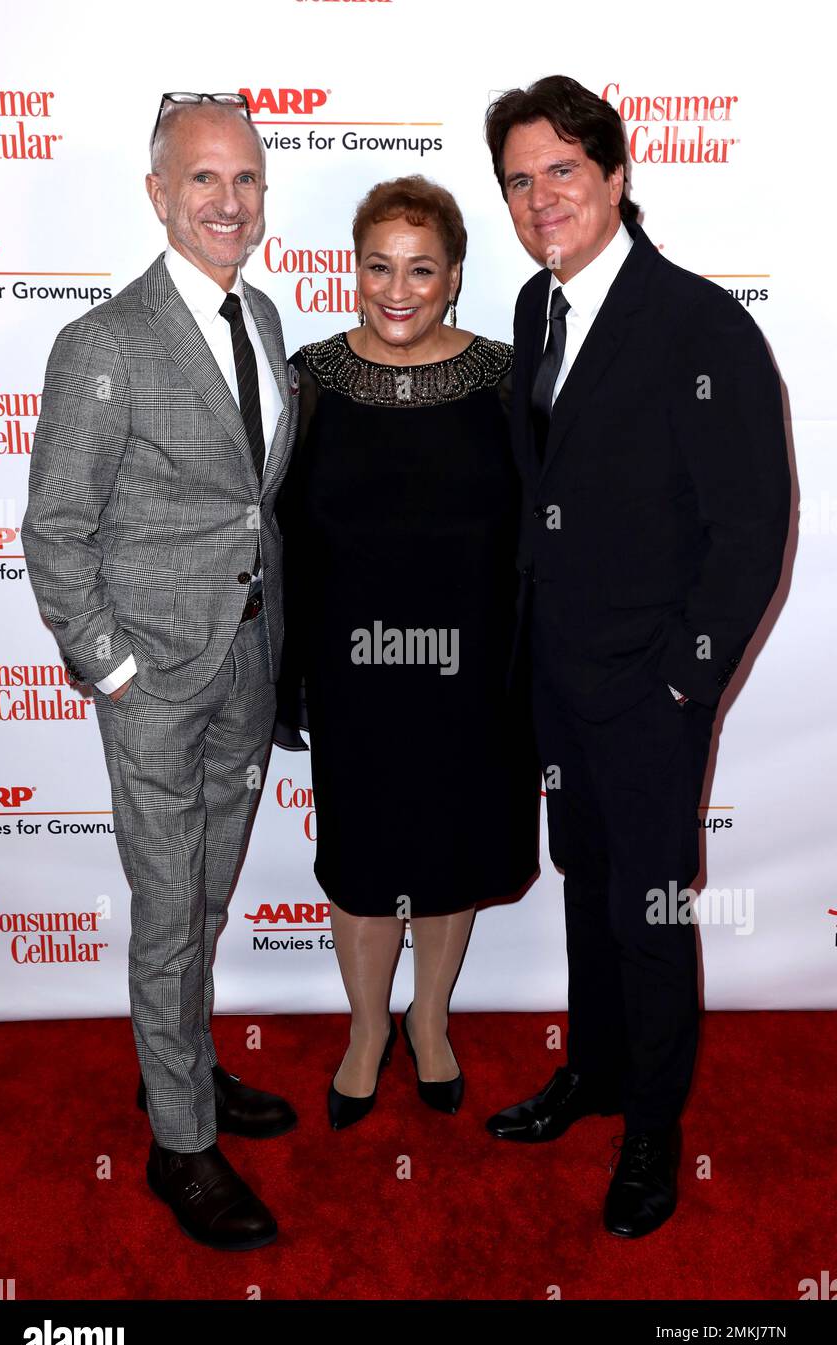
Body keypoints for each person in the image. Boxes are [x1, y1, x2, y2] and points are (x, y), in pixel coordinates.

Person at [482, 76, 790, 1237]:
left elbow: (754, 526)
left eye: (563, 170)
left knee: (652, 908)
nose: (540, 197)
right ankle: (596, 1073)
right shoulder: (531, 307)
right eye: (519, 179)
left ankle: (654, 1125)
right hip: (558, 675)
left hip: (651, 688)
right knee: (589, 889)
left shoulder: (700, 326)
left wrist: (682, 678)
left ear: (616, 177)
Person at [21, 92, 299, 1252]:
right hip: (155, 683)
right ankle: (179, 1143)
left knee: (209, 892)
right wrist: (113, 670)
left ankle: (175, 1065)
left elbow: (250, 500)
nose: (228, 202)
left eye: (245, 181)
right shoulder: (105, 342)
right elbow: (55, 531)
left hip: (248, 665)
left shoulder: (268, 318)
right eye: (203, 180)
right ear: (157, 194)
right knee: (168, 912)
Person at [274, 175, 541, 1130]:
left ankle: (429, 1023)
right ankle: (365, 1030)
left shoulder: (507, 380)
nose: (398, 288)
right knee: (361, 859)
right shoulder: (308, 379)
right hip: (353, 679)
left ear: (454, 275)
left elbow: (539, 534)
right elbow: (274, 531)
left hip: (471, 683)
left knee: (449, 851)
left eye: (421, 269)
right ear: (353, 269)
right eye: (379, 266)